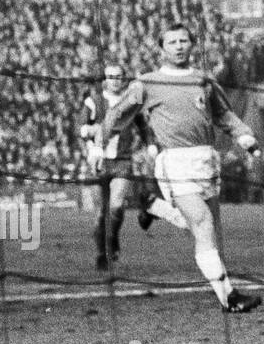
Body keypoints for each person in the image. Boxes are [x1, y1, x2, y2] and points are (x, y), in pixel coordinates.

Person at [103, 23, 262, 313]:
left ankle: (155, 207)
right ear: (161, 49)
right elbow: (118, 114)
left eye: (183, 41)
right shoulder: (147, 83)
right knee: (203, 223)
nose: (178, 46)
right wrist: (102, 136)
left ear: (192, 45)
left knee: (206, 230)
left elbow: (224, 114)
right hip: (174, 161)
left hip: (207, 160)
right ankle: (230, 298)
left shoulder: (204, 81)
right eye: (172, 42)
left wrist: (243, 135)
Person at [78, 64, 186, 271]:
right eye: (111, 77)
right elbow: (80, 128)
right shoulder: (93, 101)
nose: (115, 80)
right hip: (98, 164)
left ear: (124, 80)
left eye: (119, 77)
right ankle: (102, 252)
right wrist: (90, 146)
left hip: (122, 161)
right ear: (104, 80)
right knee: (101, 213)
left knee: (117, 206)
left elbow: (143, 127)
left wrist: (151, 144)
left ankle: (113, 242)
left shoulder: (131, 101)